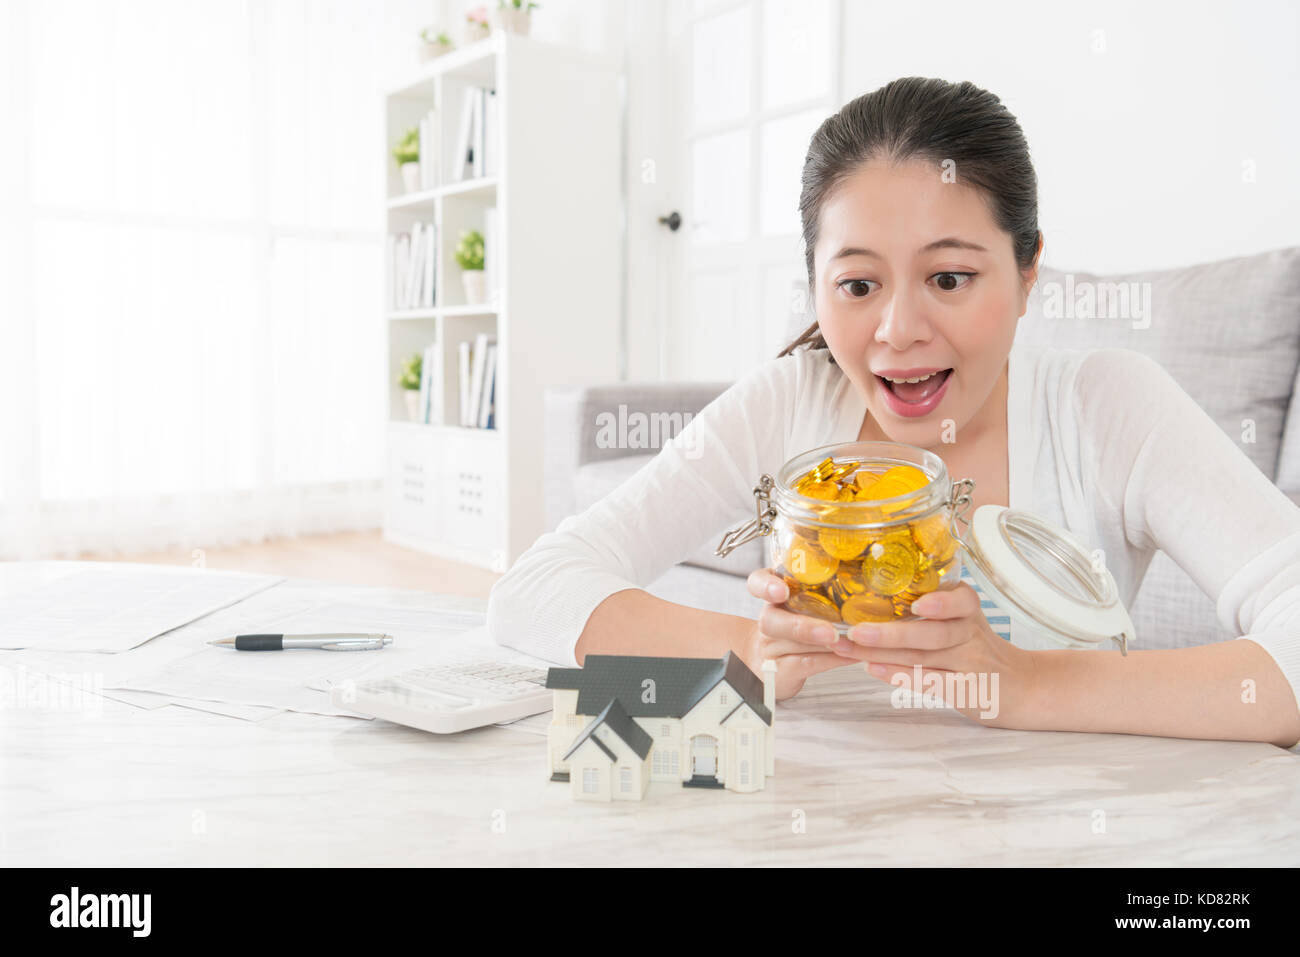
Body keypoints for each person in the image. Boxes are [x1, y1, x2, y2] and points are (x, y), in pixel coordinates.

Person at [486, 76, 1300, 750]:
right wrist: (754, 650)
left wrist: (1016, 681)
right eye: (858, 284)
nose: (899, 330)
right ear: (814, 285)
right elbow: (534, 590)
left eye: (949, 278)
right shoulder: (791, 403)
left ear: (1026, 273)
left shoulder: (1108, 405)